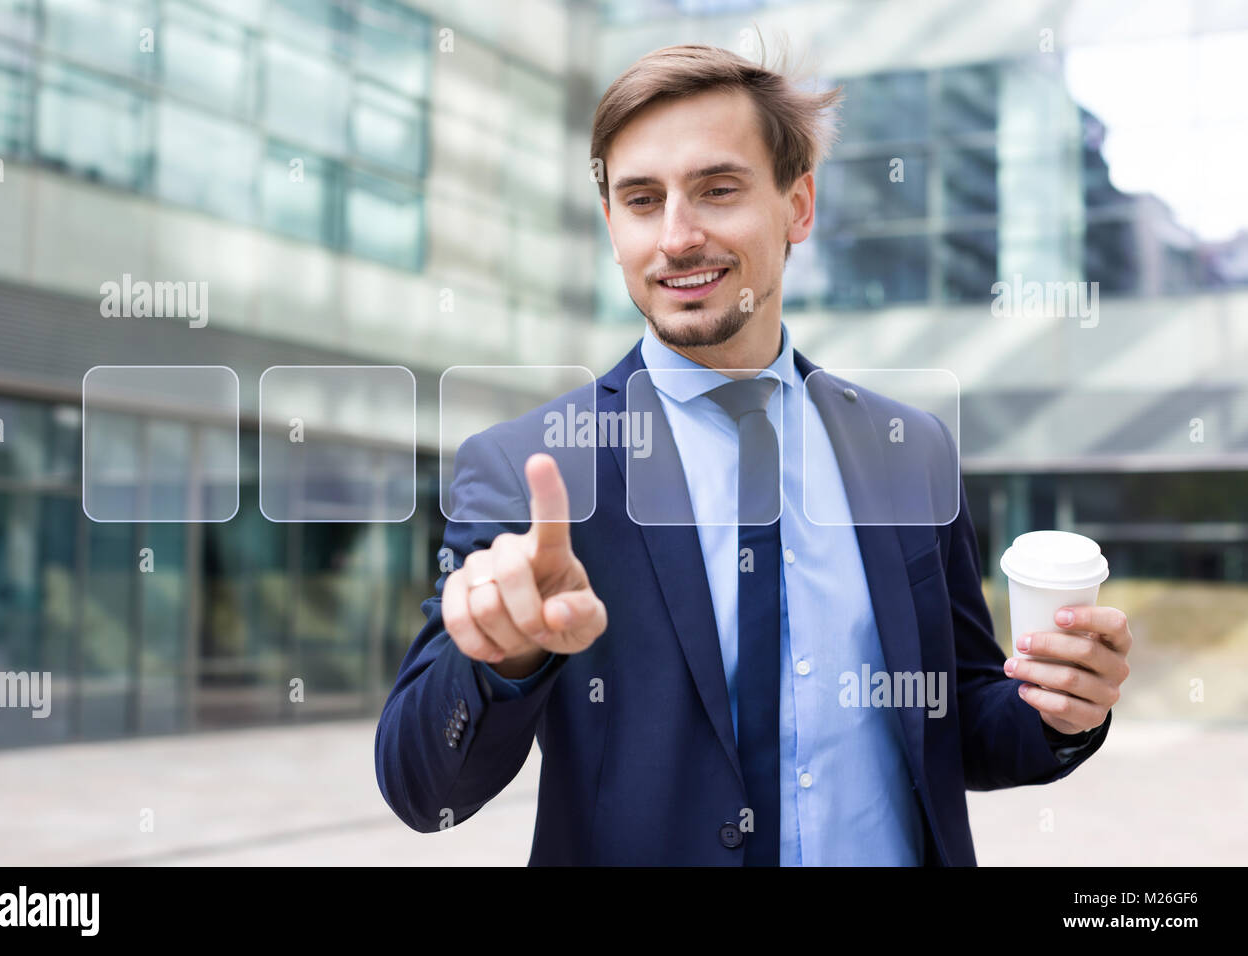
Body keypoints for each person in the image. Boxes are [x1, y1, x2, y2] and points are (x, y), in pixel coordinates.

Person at [374, 43, 1133, 865]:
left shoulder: (908, 451)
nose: (676, 236)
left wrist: (1061, 710)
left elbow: (962, 726)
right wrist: (501, 659)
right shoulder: (535, 467)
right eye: (641, 200)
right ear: (612, 226)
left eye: (718, 190)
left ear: (797, 206)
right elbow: (423, 791)